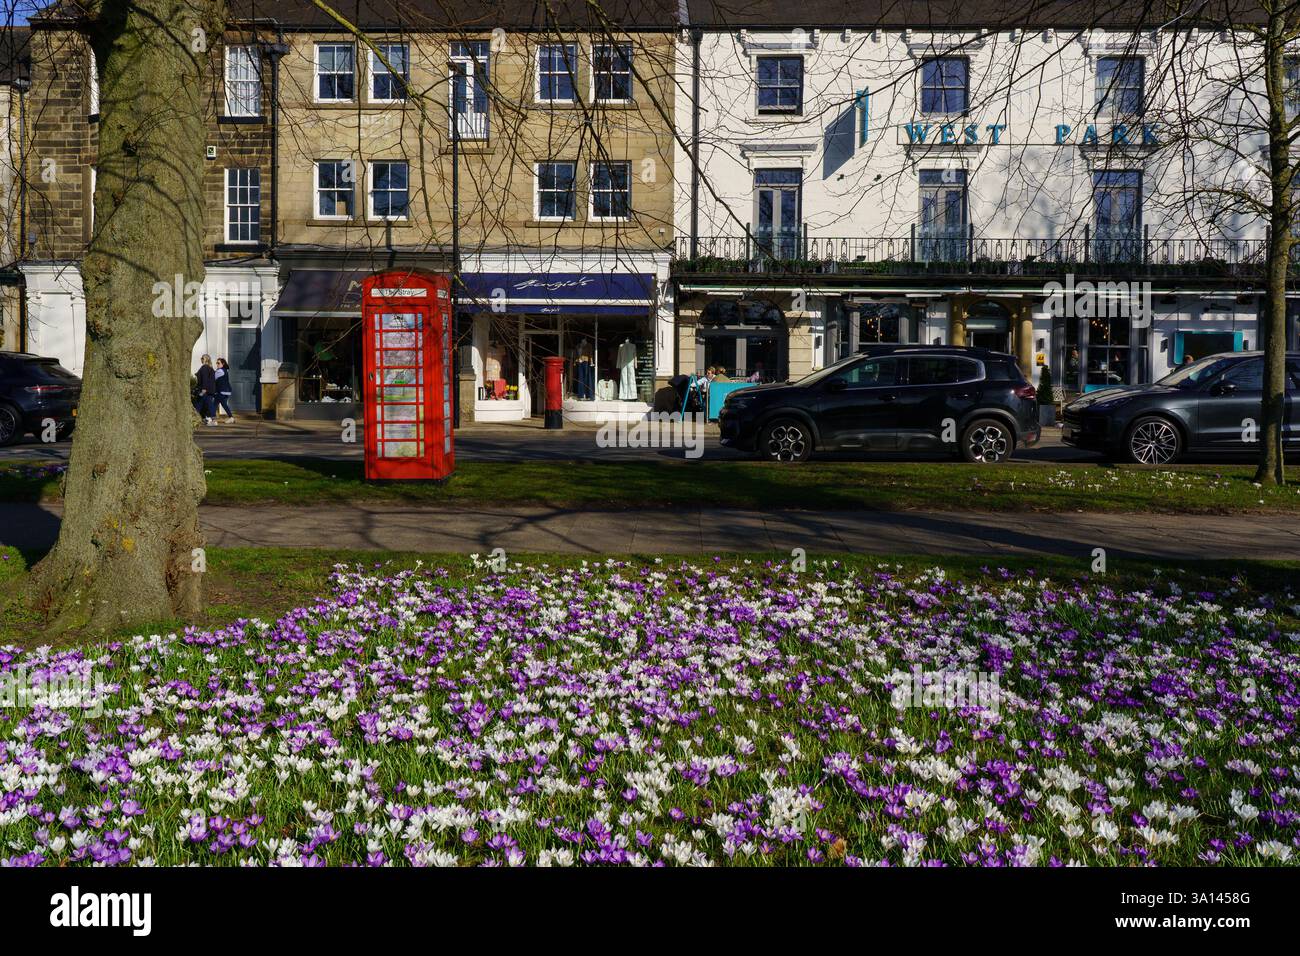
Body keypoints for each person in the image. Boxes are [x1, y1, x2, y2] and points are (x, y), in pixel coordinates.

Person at [195, 355, 217, 426]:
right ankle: (202, 419)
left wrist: (204, 389)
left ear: (205, 359)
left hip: (205, 390)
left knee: (206, 404)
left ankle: (213, 420)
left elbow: (205, 379)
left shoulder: (204, 368)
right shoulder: (210, 368)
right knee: (200, 404)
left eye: (202, 358)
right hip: (210, 390)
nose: (200, 359)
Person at [213, 358, 236, 423]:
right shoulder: (224, 370)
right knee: (224, 404)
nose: (217, 364)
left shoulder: (220, 371)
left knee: (214, 404)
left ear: (223, 364)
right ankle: (231, 418)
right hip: (226, 391)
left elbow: (213, 378)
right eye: (216, 363)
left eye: (218, 363)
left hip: (222, 391)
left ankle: (213, 420)